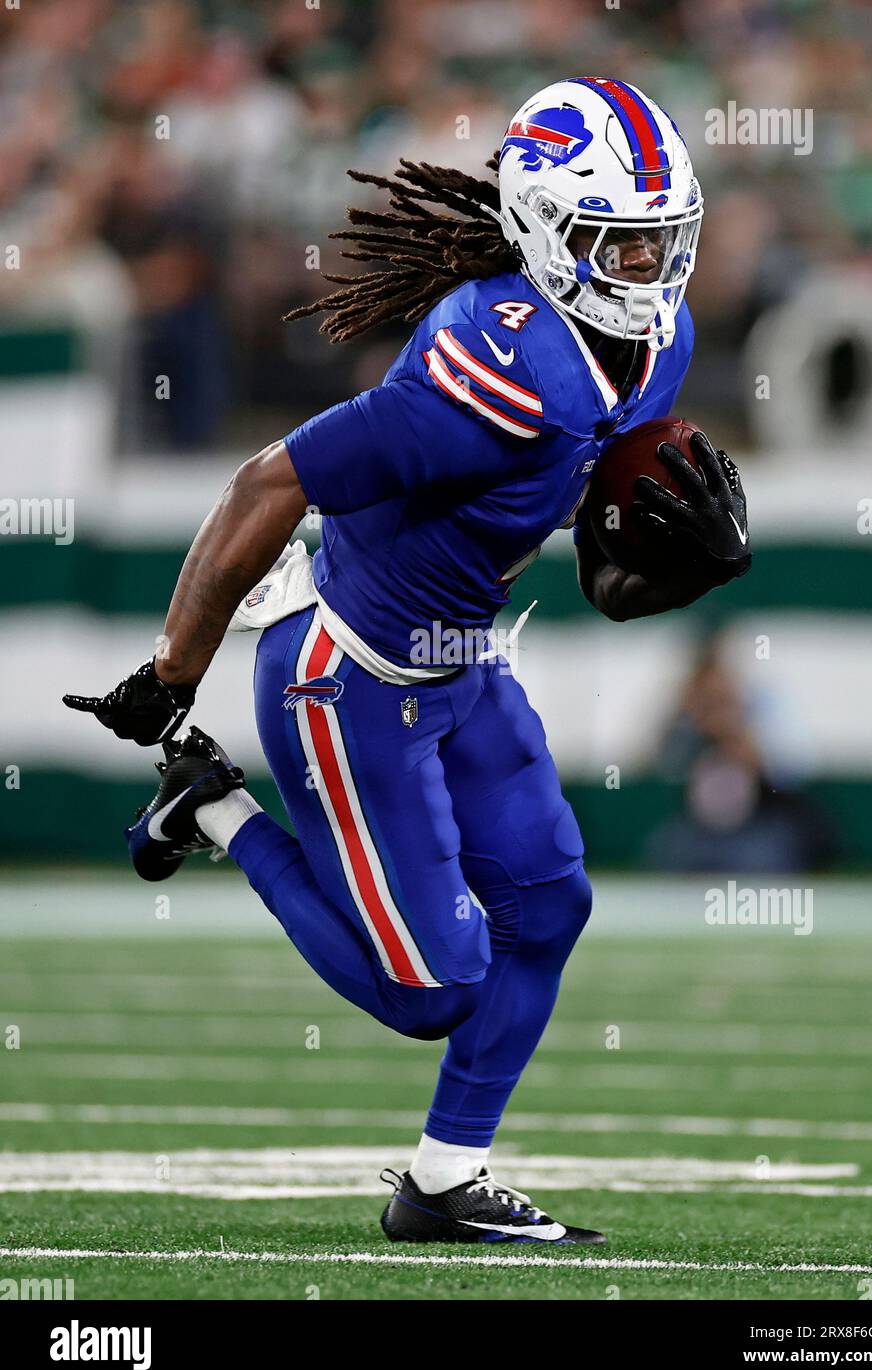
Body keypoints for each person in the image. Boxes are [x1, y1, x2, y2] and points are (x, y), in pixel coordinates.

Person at [64, 78, 751, 1244]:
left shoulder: (655, 338)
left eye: (659, 239)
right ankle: (213, 805)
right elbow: (266, 482)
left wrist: (638, 563)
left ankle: (440, 1182)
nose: (647, 269)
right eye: (617, 243)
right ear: (547, 231)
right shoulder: (492, 374)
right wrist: (175, 668)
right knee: (430, 990)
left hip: (461, 653)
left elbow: (577, 503)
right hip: (348, 671)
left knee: (546, 905)